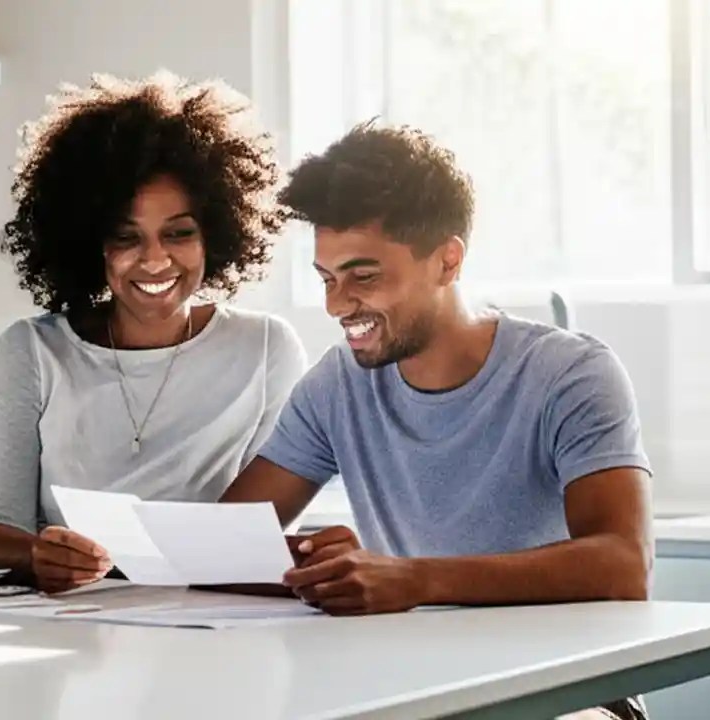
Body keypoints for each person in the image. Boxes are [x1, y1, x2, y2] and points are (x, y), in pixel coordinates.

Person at [220, 122, 653, 720]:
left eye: (363, 276)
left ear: (448, 261)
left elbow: (623, 564)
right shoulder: (336, 384)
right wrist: (308, 563)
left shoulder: (570, 374)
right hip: (425, 691)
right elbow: (224, 537)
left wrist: (414, 580)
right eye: (328, 279)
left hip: (574, 697)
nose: (338, 304)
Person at [0, 72, 306, 594]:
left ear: (215, 233)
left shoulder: (264, 350)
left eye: (179, 233)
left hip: (211, 622)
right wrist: (40, 555)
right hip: (69, 625)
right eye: (126, 236)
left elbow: (259, 532)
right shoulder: (32, 352)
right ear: (89, 243)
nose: (154, 260)